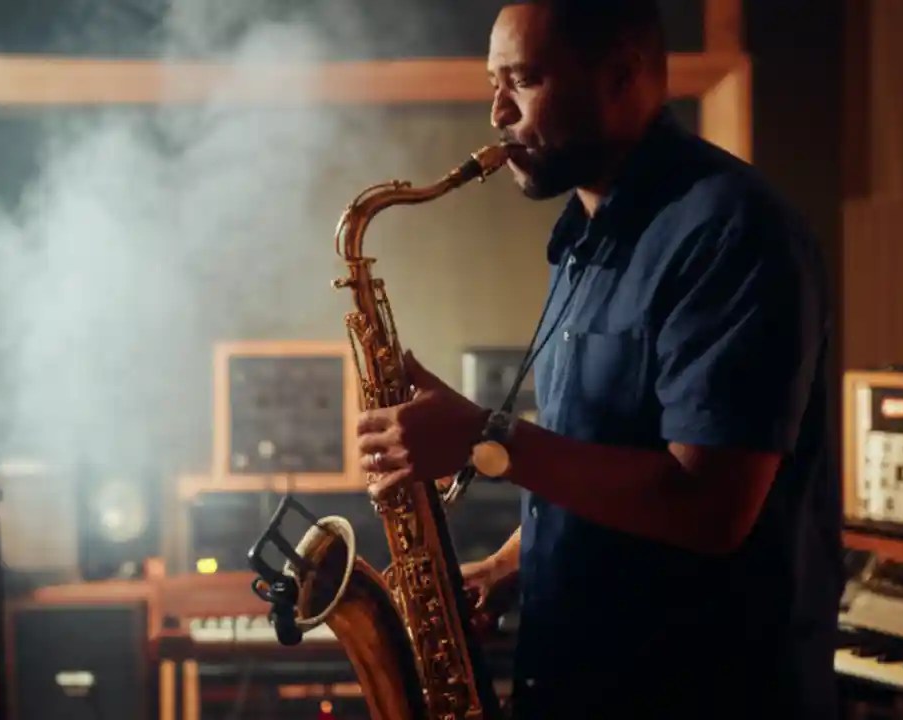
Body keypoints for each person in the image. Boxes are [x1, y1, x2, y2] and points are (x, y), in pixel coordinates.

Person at [354, 1, 842, 718]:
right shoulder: (583, 237)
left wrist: (482, 437)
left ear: (620, 76)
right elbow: (600, 457)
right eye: (493, 83)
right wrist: (507, 566)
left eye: (523, 80)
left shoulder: (732, 231)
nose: (497, 113)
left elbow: (711, 506)